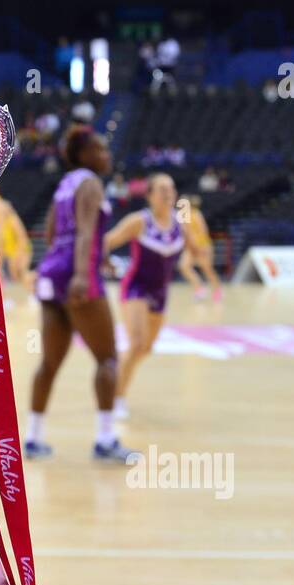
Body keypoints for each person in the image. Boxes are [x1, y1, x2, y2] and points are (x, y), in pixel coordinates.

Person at [26, 127, 133, 462]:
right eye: (99, 149)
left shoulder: (65, 184)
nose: (106, 155)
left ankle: (33, 437)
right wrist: (84, 274)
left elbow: (51, 233)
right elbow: (85, 231)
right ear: (83, 154)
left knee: (49, 362)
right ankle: (105, 440)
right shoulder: (91, 183)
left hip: (52, 271)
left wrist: (95, 258)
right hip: (76, 274)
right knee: (107, 358)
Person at [105, 174, 184, 419]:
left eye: (171, 188)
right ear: (149, 195)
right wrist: (103, 263)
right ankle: (116, 397)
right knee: (137, 343)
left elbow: (196, 246)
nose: (168, 193)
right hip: (136, 287)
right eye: (162, 189)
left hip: (161, 292)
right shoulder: (139, 221)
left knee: (146, 348)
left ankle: (120, 367)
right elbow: (106, 242)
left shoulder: (181, 223)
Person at [0, 187, 34, 292]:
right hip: (12, 244)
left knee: (20, 274)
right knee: (16, 275)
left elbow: (0, 230)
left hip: (15, 245)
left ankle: (41, 285)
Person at [178, 194, 221, 302]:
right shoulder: (183, 216)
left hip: (201, 246)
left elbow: (203, 231)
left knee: (207, 269)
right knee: (183, 266)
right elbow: (185, 234)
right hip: (190, 247)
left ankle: (217, 290)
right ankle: (199, 288)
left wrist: (201, 247)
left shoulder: (195, 214)